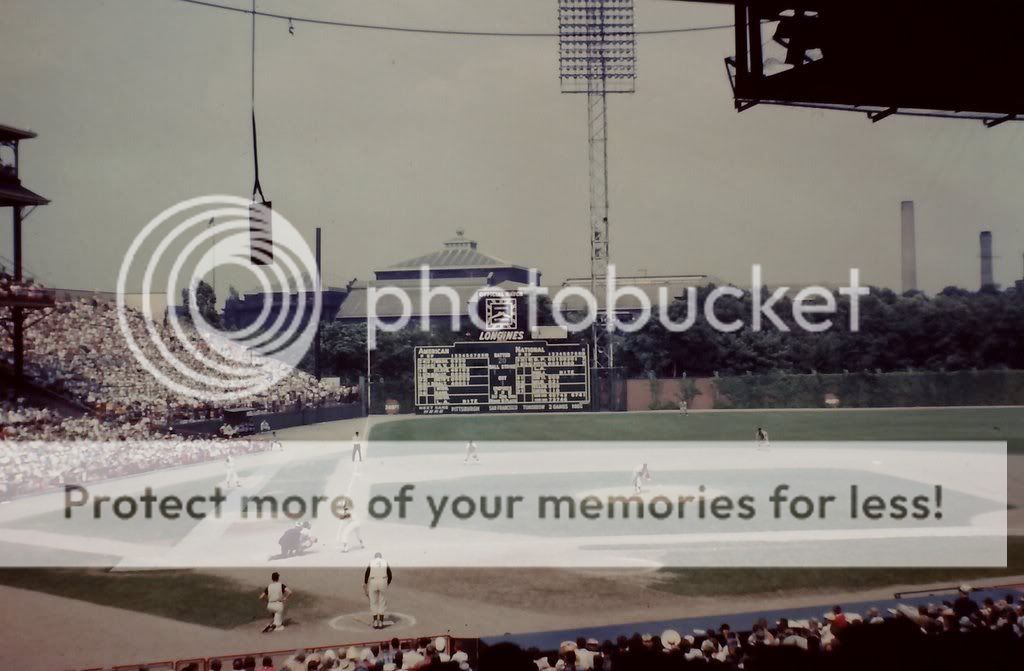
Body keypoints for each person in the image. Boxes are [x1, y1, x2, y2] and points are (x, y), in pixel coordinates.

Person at [364, 552, 392, 629]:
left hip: (373, 582)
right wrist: (387, 583)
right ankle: (381, 623)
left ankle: (376, 622)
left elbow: (367, 573)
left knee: (373, 602)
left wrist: (365, 583)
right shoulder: (385, 562)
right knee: (382, 601)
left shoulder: (371, 562)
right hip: (383, 582)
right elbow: (390, 574)